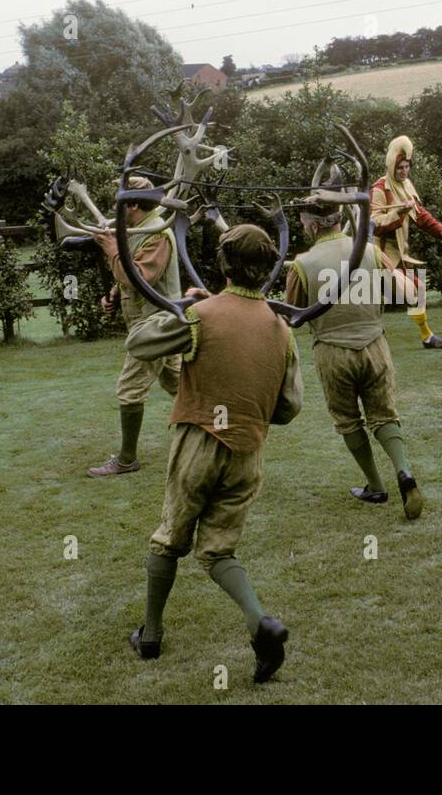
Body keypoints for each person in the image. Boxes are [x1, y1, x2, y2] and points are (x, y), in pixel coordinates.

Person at [124, 224, 302, 682]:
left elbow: (139, 343)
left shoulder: (200, 315)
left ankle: (151, 635)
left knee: (169, 538)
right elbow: (289, 407)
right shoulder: (282, 328)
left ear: (224, 264)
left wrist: (184, 306)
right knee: (219, 551)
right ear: (267, 270)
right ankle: (259, 621)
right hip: (248, 451)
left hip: (199, 440)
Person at [285, 196, 424, 519]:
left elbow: (292, 318)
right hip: (374, 345)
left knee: (348, 420)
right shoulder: (371, 251)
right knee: (384, 414)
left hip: (333, 352)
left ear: (315, 224)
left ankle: (375, 486)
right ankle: (403, 471)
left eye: (304, 222)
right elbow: (407, 294)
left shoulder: (302, 264)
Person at [86, 177, 183, 477]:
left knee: (129, 390)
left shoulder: (158, 232)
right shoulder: (140, 230)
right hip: (158, 323)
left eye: (120, 199)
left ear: (132, 204)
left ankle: (127, 459)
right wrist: (115, 296)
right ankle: (223, 430)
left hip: (157, 325)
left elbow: (141, 276)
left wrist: (112, 250)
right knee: (183, 385)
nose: (116, 205)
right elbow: (131, 277)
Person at [371, 135, 442, 348]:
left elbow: (420, 214)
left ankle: (426, 336)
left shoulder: (407, 185)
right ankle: (424, 337)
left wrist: (440, 230)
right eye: (400, 167)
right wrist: (399, 213)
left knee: (415, 291)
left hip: (399, 254)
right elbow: (375, 224)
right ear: (392, 166)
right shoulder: (380, 188)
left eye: (407, 167)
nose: (404, 171)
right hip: (379, 255)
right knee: (383, 295)